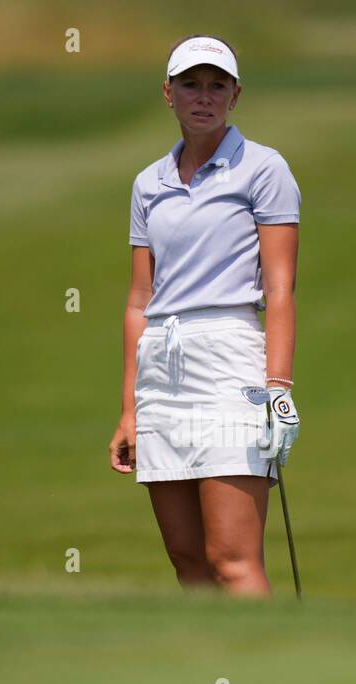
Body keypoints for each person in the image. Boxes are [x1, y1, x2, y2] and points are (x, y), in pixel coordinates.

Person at [108, 34, 302, 597]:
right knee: (189, 562)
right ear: (168, 93)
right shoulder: (149, 184)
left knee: (232, 559)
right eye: (191, 84)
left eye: (217, 86)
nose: (204, 97)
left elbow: (282, 291)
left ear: (235, 95)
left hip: (230, 362)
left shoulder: (264, 170)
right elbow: (139, 301)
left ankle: (270, 674)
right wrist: (129, 411)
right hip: (161, 369)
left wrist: (279, 387)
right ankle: (213, 678)